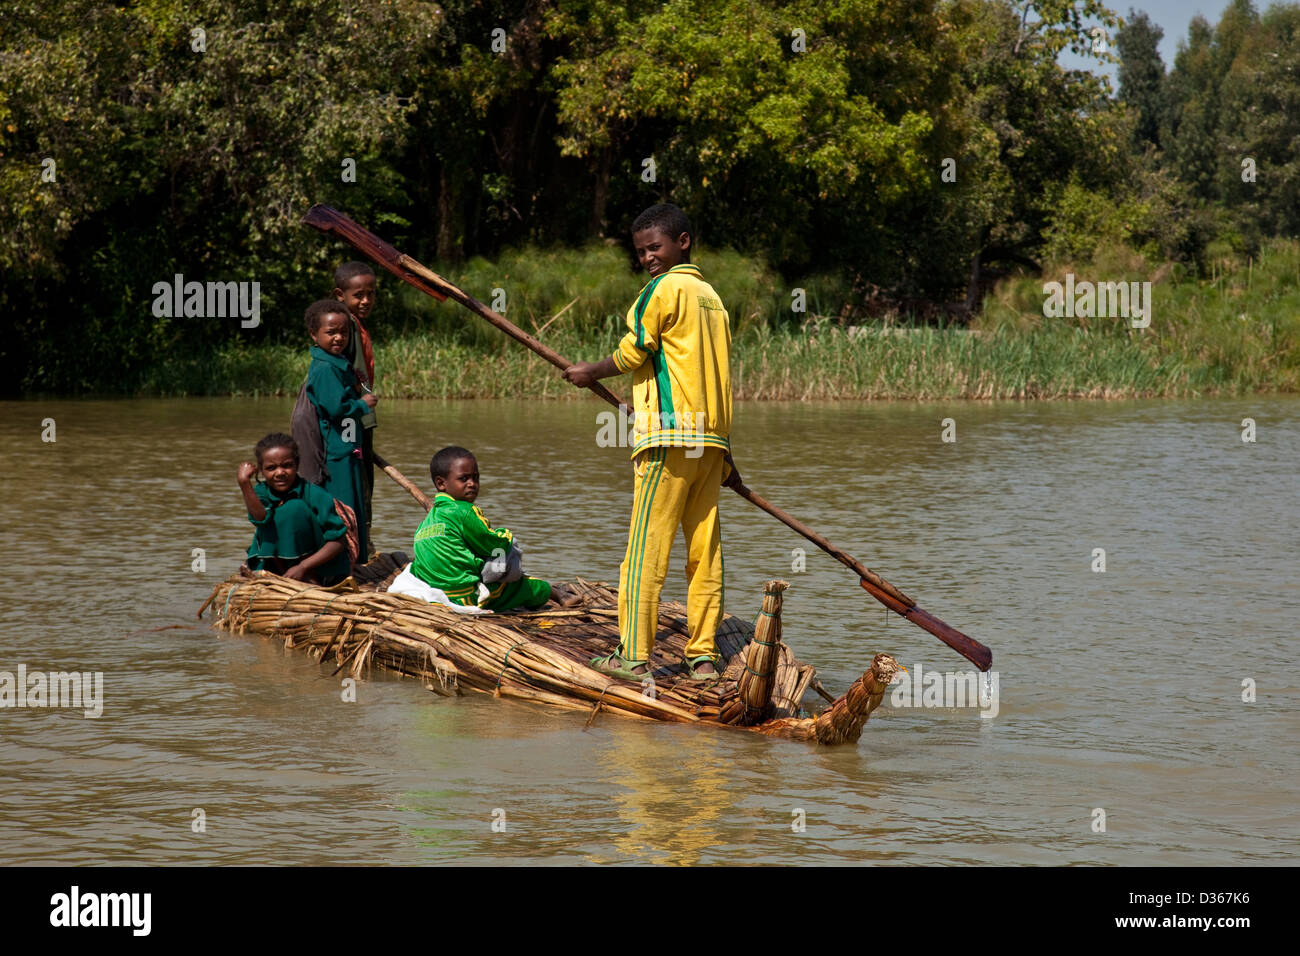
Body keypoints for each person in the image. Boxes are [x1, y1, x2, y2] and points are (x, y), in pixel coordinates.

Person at [563, 203, 737, 681]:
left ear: (682, 242)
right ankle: (703, 656)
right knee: (705, 553)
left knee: (646, 550)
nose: (648, 258)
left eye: (654, 247)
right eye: (640, 251)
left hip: (669, 441)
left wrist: (588, 371)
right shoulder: (713, 299)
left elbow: (634, 348)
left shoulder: (661, 290)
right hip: (710, 445)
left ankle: (633, 655)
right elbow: (713, 376)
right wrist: (727, 454)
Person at [409, 446, 580, 611]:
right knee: (522, 584)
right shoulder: (464, 511)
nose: (472, 484)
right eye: (464, 478)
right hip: (464, 596)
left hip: (434, 593)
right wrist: (506, 536)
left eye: (476, 478)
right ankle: (561, 596)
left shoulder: (424, 524)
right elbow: (492, 544)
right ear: (441, 483)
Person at [304, 298, 378, 563]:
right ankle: (339, 563)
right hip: (336, 452)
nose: (338, 338)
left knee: (354, 505)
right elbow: (337, 408)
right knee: (342, 507)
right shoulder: (325, 368)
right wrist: (363, 404)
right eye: (331, 332)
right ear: (314, 335)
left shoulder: (337, 363)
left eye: (344, 333)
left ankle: (355, 561)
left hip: (348, 447)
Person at [237, 433, 350, 585]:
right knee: (278, 514)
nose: (280, 473)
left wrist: (303, 566)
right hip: (275, 565)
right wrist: (244, 483)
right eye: (271, 468)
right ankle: (276, 573)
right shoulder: (261, 492)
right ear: (261, 471)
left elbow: (337, 542)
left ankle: (311, 578)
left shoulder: (316, 495)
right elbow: (260, 519)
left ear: (297, 464)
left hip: (316, 566)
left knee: (293, 508)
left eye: (287, 465)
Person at [332, 262, 379, 555]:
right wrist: (357, 410)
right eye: (358, 295)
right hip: (352, 419)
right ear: (340, 295)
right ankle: (355, 547)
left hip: (359, 418)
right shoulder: (344, 326)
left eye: (371, 294)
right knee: (356, 486)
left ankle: (362, 544)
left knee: (363, 484)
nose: (365, 301)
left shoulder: (355, 325)